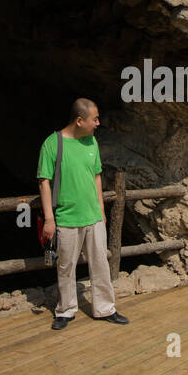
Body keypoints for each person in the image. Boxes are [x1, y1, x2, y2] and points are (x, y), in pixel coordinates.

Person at [38, 98, 128, 330]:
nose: (98, 123)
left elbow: (97, 176)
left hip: (93, 217)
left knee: (100, 264)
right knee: (66, 266)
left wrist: (101, 209)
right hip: (66, 218)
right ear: (79, 120)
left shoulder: (92, 143)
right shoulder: (52, 143)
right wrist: (49, 218)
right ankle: (66, 310)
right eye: (94, 119)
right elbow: (44, 182)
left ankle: (105, 308)